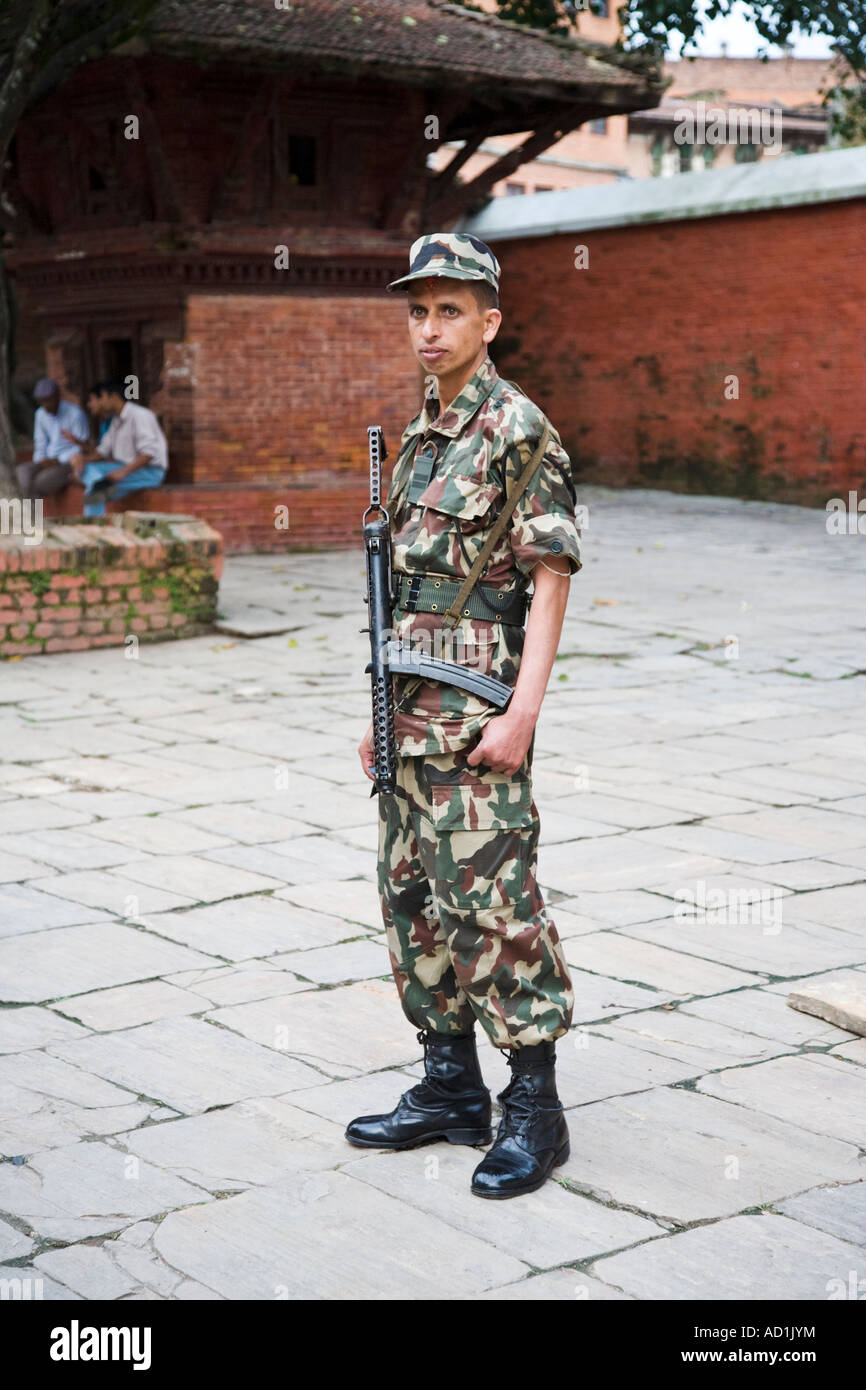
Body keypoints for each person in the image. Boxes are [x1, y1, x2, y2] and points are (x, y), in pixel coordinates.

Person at [346, 233, 583, 1199]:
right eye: (418, 310)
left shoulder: (518, 429)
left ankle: (536, 1108)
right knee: (413, 903)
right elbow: (400, 595)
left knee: (496, 910)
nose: (430, 328)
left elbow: (551, 576)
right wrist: (379, 708)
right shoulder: (421, 438)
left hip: (479, 719)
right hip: (411, 719)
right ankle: (451, 1088)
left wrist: (525, 712)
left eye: (450, 310)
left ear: (490, 322)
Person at [69, 382, 168, 517]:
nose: (99, 403)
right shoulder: (116, 420)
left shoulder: (140, 415)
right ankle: (99, 483)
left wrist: (122, 472)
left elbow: (149, 453)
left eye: (101, 398)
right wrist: (81, 459)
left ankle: (94, 523)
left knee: (94, 491)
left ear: (114, 397)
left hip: (149, 472)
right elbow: (102, 451)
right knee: (88, 471)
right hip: (122, 467)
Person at [17, 378, 89, 500]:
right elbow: (40, 441)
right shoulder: (40, 414)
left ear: (57, 397)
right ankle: (30, 516)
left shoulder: (75, 414)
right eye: (42, 401)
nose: (45, 405)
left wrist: (59, 460)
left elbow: (81, 447)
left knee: (40, 483)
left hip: (68, 463)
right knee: (21, 473)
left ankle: (35, 516)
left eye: (48, 400)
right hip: (47, 460)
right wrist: (41, 460)